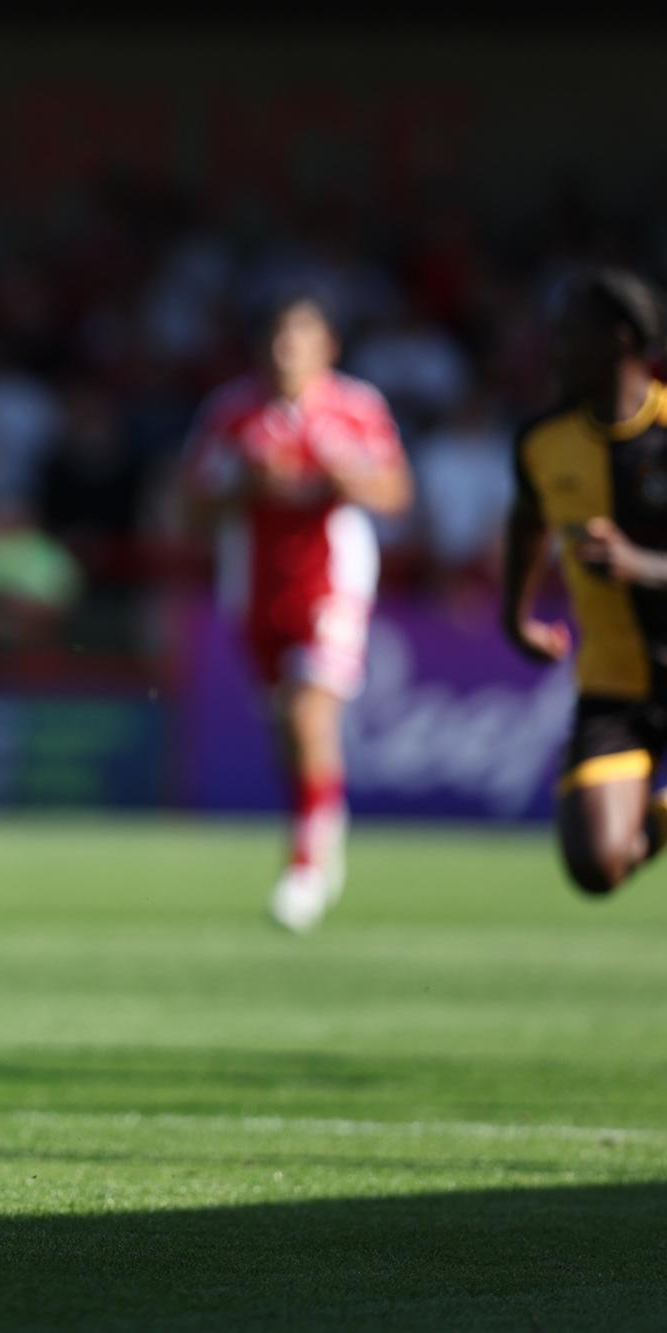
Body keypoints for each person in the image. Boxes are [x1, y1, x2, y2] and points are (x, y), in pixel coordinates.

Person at [183, 295, 411, 932]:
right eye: (280, 339)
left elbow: (396, 491)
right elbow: (191, 504)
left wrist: (347, 479)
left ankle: (306, 865)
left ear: (327, 348)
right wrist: (245, 486)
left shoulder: (356, 408)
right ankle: (321, 826)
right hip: (255, 588)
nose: (288, 352)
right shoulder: (233, 414)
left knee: (310, 714)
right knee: (288, 728)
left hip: (332, 584)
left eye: (301, 340)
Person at [503, 267, 667, 896]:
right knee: (597, 865)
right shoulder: (543, 442)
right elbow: (527, 522)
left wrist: (640, 566)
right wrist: (515, 618)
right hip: (614, 683)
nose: (555, 349)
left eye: (568, 333)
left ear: (619, 339)